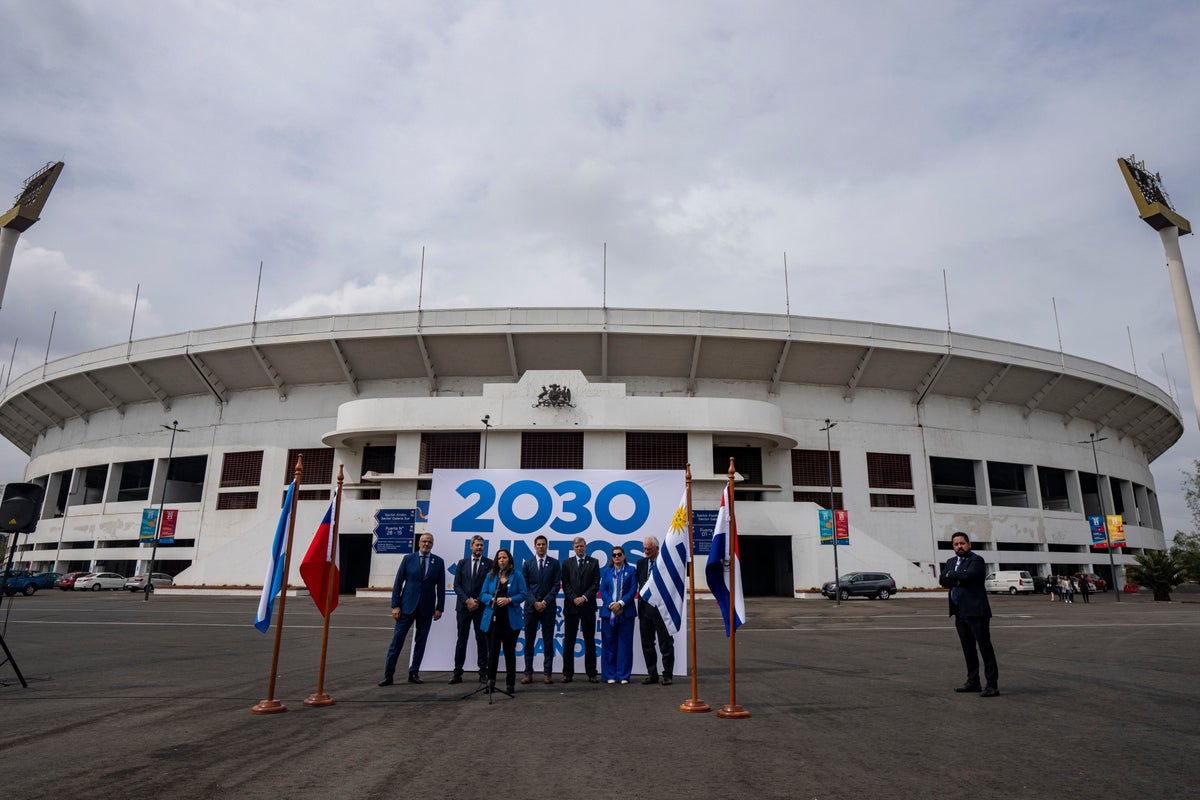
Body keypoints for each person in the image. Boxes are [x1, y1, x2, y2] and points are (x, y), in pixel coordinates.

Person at [380, 533, 445, 686]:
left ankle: (414, 672)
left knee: (420, 643)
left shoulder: (438, 562)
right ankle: (388, 675)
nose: (426, 544)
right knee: (397, 642)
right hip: (406, 607)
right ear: (419, 543)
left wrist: (439, 608)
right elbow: (398, 583)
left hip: (426, 609)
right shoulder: (408, 559)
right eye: (424, 541)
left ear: (432, 544)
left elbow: (441, 588)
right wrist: (395, 605)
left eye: (429, 542)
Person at [939, 531, 999, 697]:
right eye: (956, 544)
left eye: (962, 543)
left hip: (976, 611)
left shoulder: (976, 560)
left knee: (985, 648)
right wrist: (954, 577)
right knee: (968, 649)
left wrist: (953, 576)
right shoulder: (951, 561)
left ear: (969, 544)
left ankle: (992, 684)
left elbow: (970, 576)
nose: (959, 547)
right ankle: (973, 682)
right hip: (959, 612)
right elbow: (942, 580)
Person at [480, 548, 526, 694]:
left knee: (509, 652)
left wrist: (509, 599)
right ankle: (490, 683)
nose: (501, 560)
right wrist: (492, 599)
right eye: (499, 558)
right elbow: (482, 594)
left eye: (504, 558)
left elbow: (523, 594)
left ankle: (510, 683)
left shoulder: (517, 576)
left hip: (510, 621)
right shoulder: (491, 576)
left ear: (509, 560)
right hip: (492, 621)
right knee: (492, 653)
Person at [449, 534, 492, 684]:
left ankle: (483, 673)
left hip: (480, 609)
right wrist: (467, 600)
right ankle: (457, 672)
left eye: (481, 545)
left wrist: (477, 601)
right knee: (462, 640)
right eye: (477, 545)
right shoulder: (462, 563)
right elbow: (457, 585)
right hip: (463, 607)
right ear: (471, 546)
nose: (479, 547)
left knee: (482, 640)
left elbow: (489, 587)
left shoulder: (489, 564)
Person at [520, 534, 561, 684]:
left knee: (548, 640)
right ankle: (528, 673)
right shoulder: (527, 564)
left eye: (543, 544)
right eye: (539, 544)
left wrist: (544, 601)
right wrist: (535, 602)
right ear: (534, 546)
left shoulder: (555, 563)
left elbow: (556, 585)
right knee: (529, 640)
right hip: (531, 608)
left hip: (548, 608)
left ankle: (547, 673)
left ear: (547, 545)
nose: (541, 546)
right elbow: (525, 586)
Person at [560, 535, 600, 683]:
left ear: (585, 546)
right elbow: (565, 583)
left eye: (581, 546)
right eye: (576, 547)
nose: (579, 548)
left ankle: (592, 673)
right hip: (571, 607)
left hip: (588, 607)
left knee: (590, 640)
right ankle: (567, 673)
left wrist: (584, 597)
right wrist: (573, 598)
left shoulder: (594, 562)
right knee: (569, 641)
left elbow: (596, 584)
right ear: (573, 548)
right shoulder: (566, 563)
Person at [636, 535, 674, 686]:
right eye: (644, 549)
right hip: (644, 610)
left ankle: (667, 675)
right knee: (647, 644)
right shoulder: (641, 563)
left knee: (665, 643)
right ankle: (652, 674)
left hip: (661, 610)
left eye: (649, 549)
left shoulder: (665, 563)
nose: (646, 551)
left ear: (657, 549)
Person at [599, 545, 637, 684]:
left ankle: (623, 675)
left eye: (619, 554)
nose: (617, 557)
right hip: (608, 613)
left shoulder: (631, 570)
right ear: (612, 557)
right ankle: (610, 674)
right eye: (614, 555)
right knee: (609, 644)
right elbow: (603, 590)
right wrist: (611, 605)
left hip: (625, 612)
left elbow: (633, 589)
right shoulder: (607, 572)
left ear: (624, 556)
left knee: (625, 645)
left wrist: (620, 603)